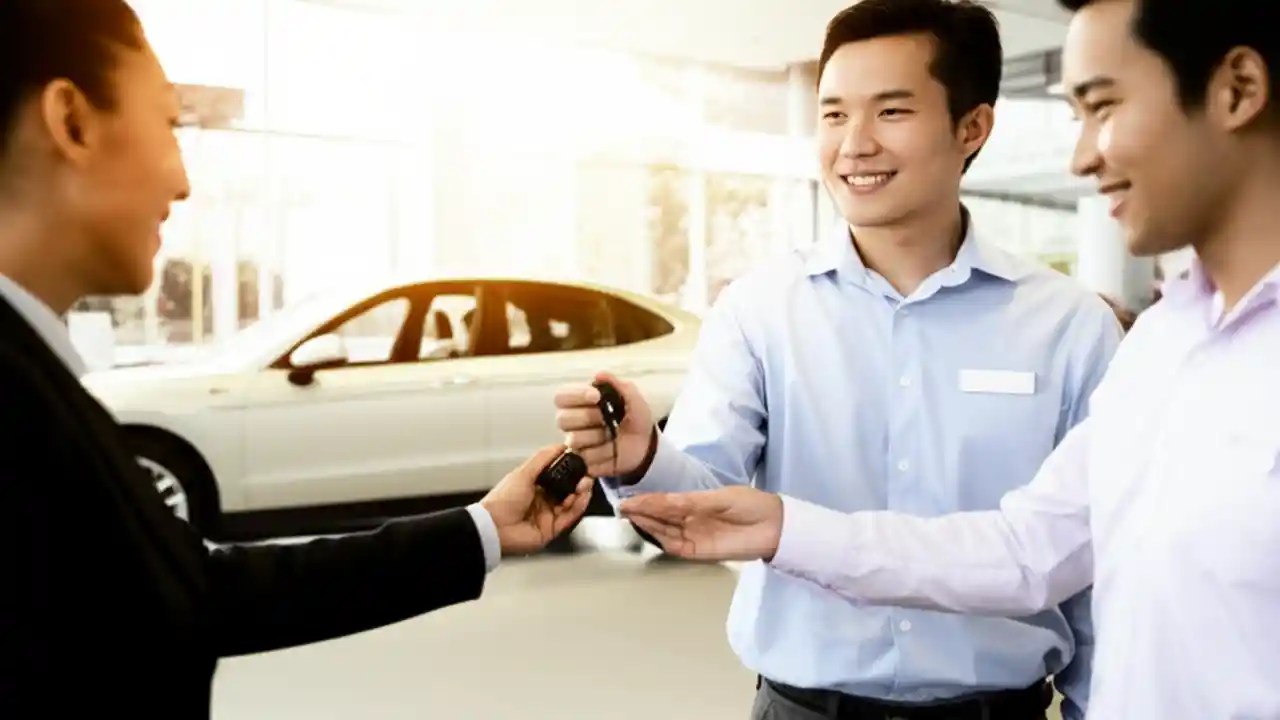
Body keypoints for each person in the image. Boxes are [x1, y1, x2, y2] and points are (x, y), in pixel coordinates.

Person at [619, 0, 1280, 717]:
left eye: (1105, 106)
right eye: (834, 114)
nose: (1082, 158)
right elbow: (1028, 553)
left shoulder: (1076, 325)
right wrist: (767, 518)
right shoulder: (1166, 345)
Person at [0, 1, 591, 716]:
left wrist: (484, 529)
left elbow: (200, 591)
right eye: (168, 123)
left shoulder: (35, 376)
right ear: (72, 122)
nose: (182, 181)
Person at [556, 1, 1122, 717]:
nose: (853, 144)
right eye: (831, 115)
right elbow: (699, 500)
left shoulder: (1070, 327)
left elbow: (1101, 573)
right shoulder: (760, 309)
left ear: (972, 127)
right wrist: (640, 459)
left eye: (890, 112)